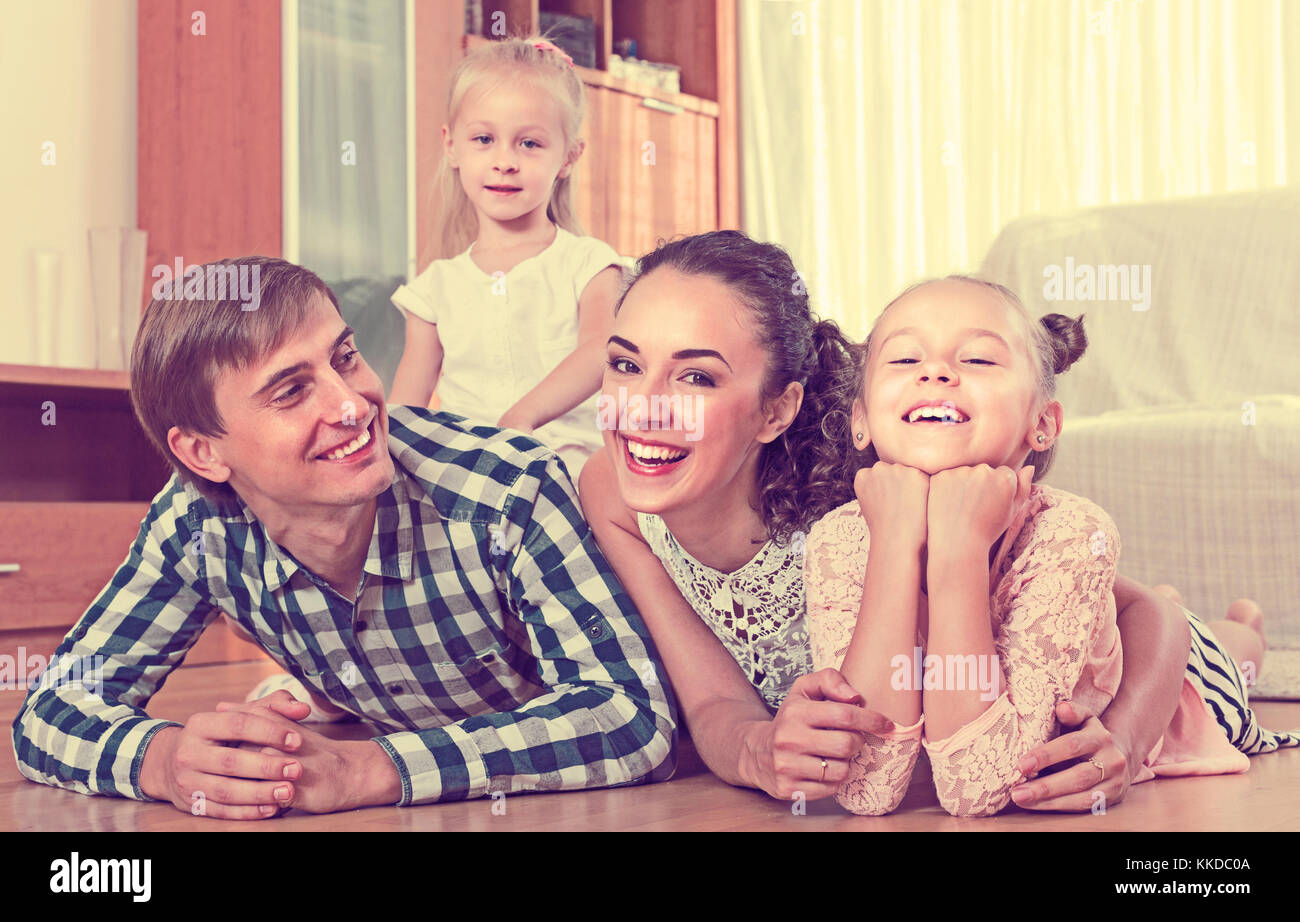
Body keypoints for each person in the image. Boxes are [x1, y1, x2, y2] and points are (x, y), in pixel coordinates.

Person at [11, 256, 675, 821]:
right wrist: (164, 760)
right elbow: (52, 707)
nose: (353, 403)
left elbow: (631, 715)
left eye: (346, 359)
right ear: (204, 454)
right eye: (293, 391)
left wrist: (371, 770)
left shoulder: (507, 491)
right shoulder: (197, 525)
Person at [578, 230, 1209, 811]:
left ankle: (1240, 634)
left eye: (696, 377)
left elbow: (1150, 614)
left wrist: (1125, 738)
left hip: (1087, 668)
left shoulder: (875, 486)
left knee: (1213, 657)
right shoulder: (614, 493)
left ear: (776, 412)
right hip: (942, 736)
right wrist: (761, 749)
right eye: (625, 365)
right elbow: (715, 701)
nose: (645, 411)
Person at [803, 276, 1299, 816]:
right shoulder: (837, 539)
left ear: (1042, 424)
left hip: (1173, 676)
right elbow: (868, 788)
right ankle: (1161, 608)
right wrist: (896, 544)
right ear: (860, 420)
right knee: (1145, 606)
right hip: (1084, 631)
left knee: (1221, 654)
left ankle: (1243, 629)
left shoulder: (1073, 531)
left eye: (978, 360)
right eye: (903, 360)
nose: (936, 371)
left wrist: (959, 548)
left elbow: (977, 789)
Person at [388, 35, 626, 479]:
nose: (504, 161)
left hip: (572, 472)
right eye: (484, 139)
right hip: (471, 476)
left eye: (530, 144)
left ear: (569, 157)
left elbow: (602, 350)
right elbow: (404, 417)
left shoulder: (591, 265)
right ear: (452, 146)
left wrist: (520, 419)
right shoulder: (434, 292)